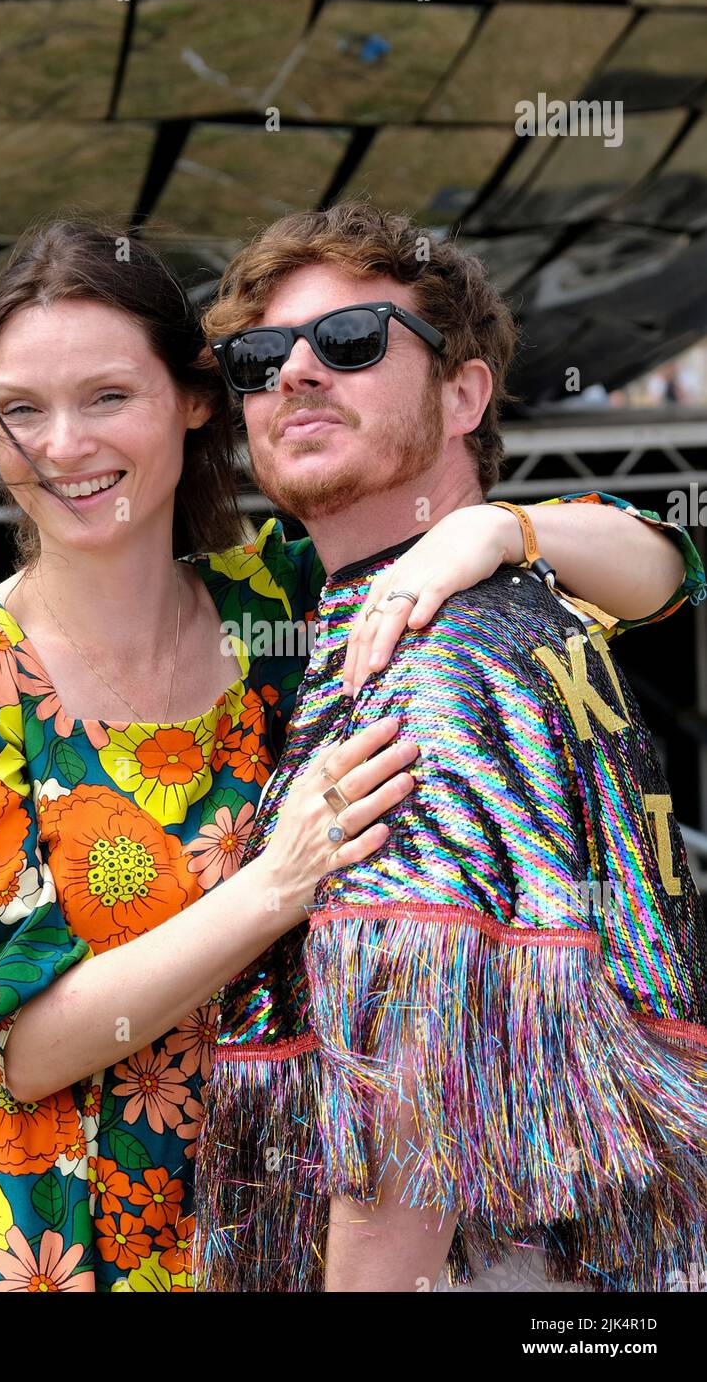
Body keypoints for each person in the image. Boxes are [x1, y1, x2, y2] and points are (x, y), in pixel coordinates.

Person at [0, 213, 701, 1294]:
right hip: (51, 1249)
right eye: (21, 411)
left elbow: (664, 574)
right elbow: (12, 1046)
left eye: (108, 397)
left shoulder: (286, 605)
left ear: (195, 401)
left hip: (267, 1243)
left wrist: (500, 530)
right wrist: (275, 883)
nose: (64, 446)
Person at [193, 199, 707, 1294]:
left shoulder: (423, 647)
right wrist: (499, 528)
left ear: (463, 391)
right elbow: (668, 569)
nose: (292, 375)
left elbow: (406, 1089)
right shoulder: (489, 602)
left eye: (348, 342)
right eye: (258, 357)